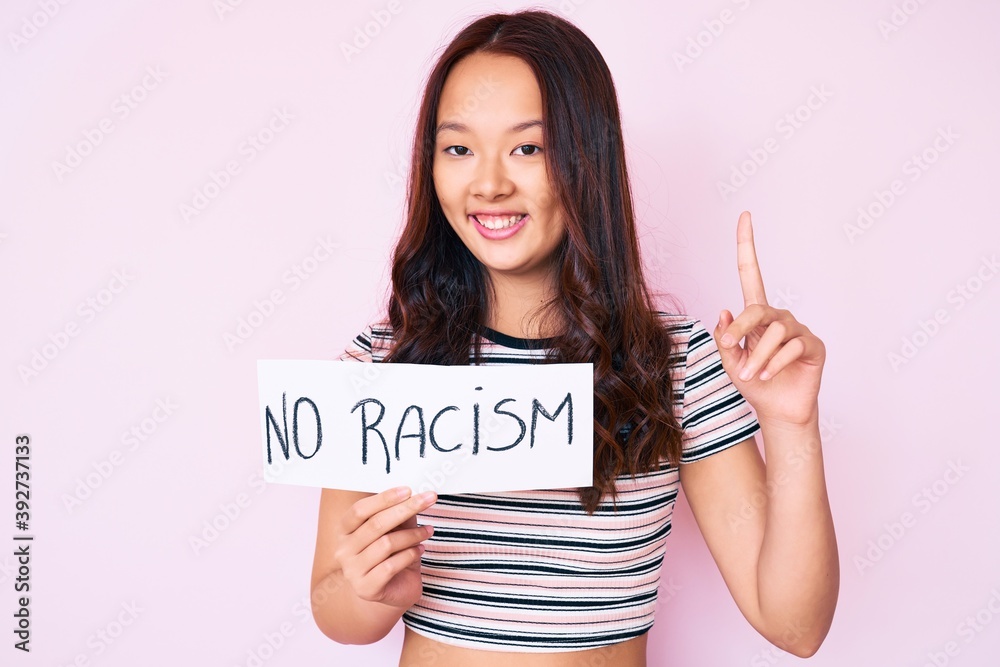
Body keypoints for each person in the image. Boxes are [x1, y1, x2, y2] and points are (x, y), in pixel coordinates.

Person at [310, 9, 838, 666]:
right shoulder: (380, 365)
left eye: (529, 147)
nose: (490, 183)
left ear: (587, 157)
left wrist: (791, 426)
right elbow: (335, 609)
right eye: (458, 148)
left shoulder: (677, 366)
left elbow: (795, 624)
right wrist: (370, 587)